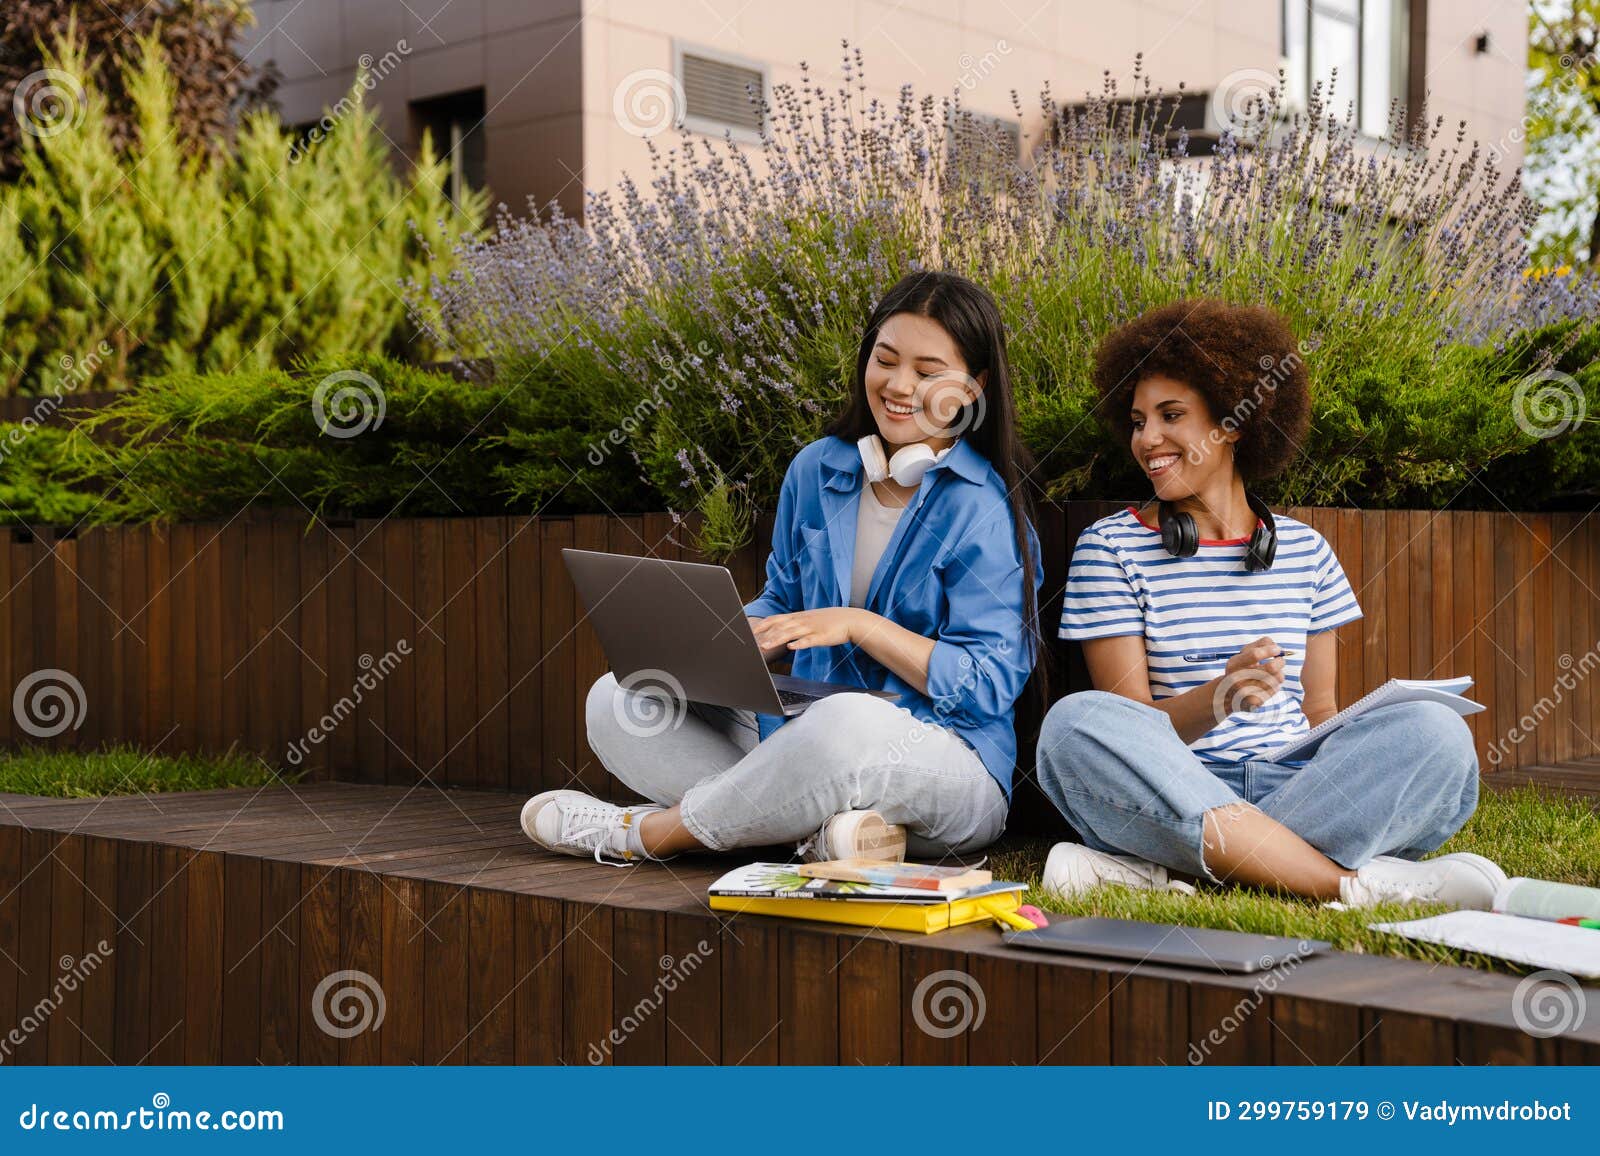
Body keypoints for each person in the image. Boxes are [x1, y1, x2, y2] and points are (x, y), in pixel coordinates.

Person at [521, 271, 1043, 866]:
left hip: (945, 763)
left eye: (927, 373)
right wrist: (727, 640)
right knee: (619, 700)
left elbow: (988, 685)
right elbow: (784, 600)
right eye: (885, 360)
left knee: (847, 722)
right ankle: (823, 837)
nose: (900, 386)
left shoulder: (986, 509)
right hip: (806, 734)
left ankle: (643, 834)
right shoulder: (817, 471)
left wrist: (858, 625)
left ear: (972, 388)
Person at [1035, 299, 1504, 909]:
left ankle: (1170, 868)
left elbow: (1321, 713)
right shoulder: (1111, 548)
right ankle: (1348, 883)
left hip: (1298, 783)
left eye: (1171, 415)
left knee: (1438, 734)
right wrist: (1219, 698)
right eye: (1137, 421)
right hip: (1177, 782)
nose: (1148, 439)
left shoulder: (1307, 551)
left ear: (1232, 424)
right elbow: (1131, 729)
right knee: (1074, 726)